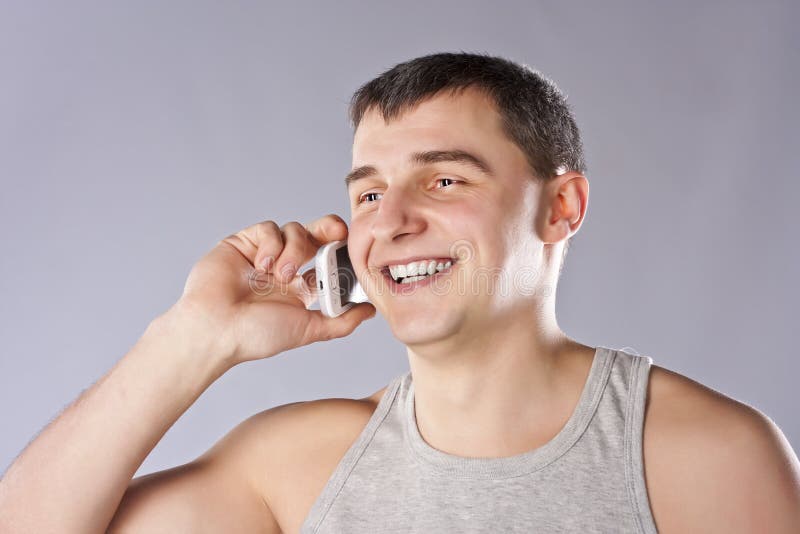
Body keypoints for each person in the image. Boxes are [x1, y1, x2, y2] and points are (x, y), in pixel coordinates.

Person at [1, 51, 798, 534]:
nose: (393, 222)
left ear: (562, 208)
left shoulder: (705, 457)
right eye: (370, 194)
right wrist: (194, 336)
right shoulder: (296, 466)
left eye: (443, 179)